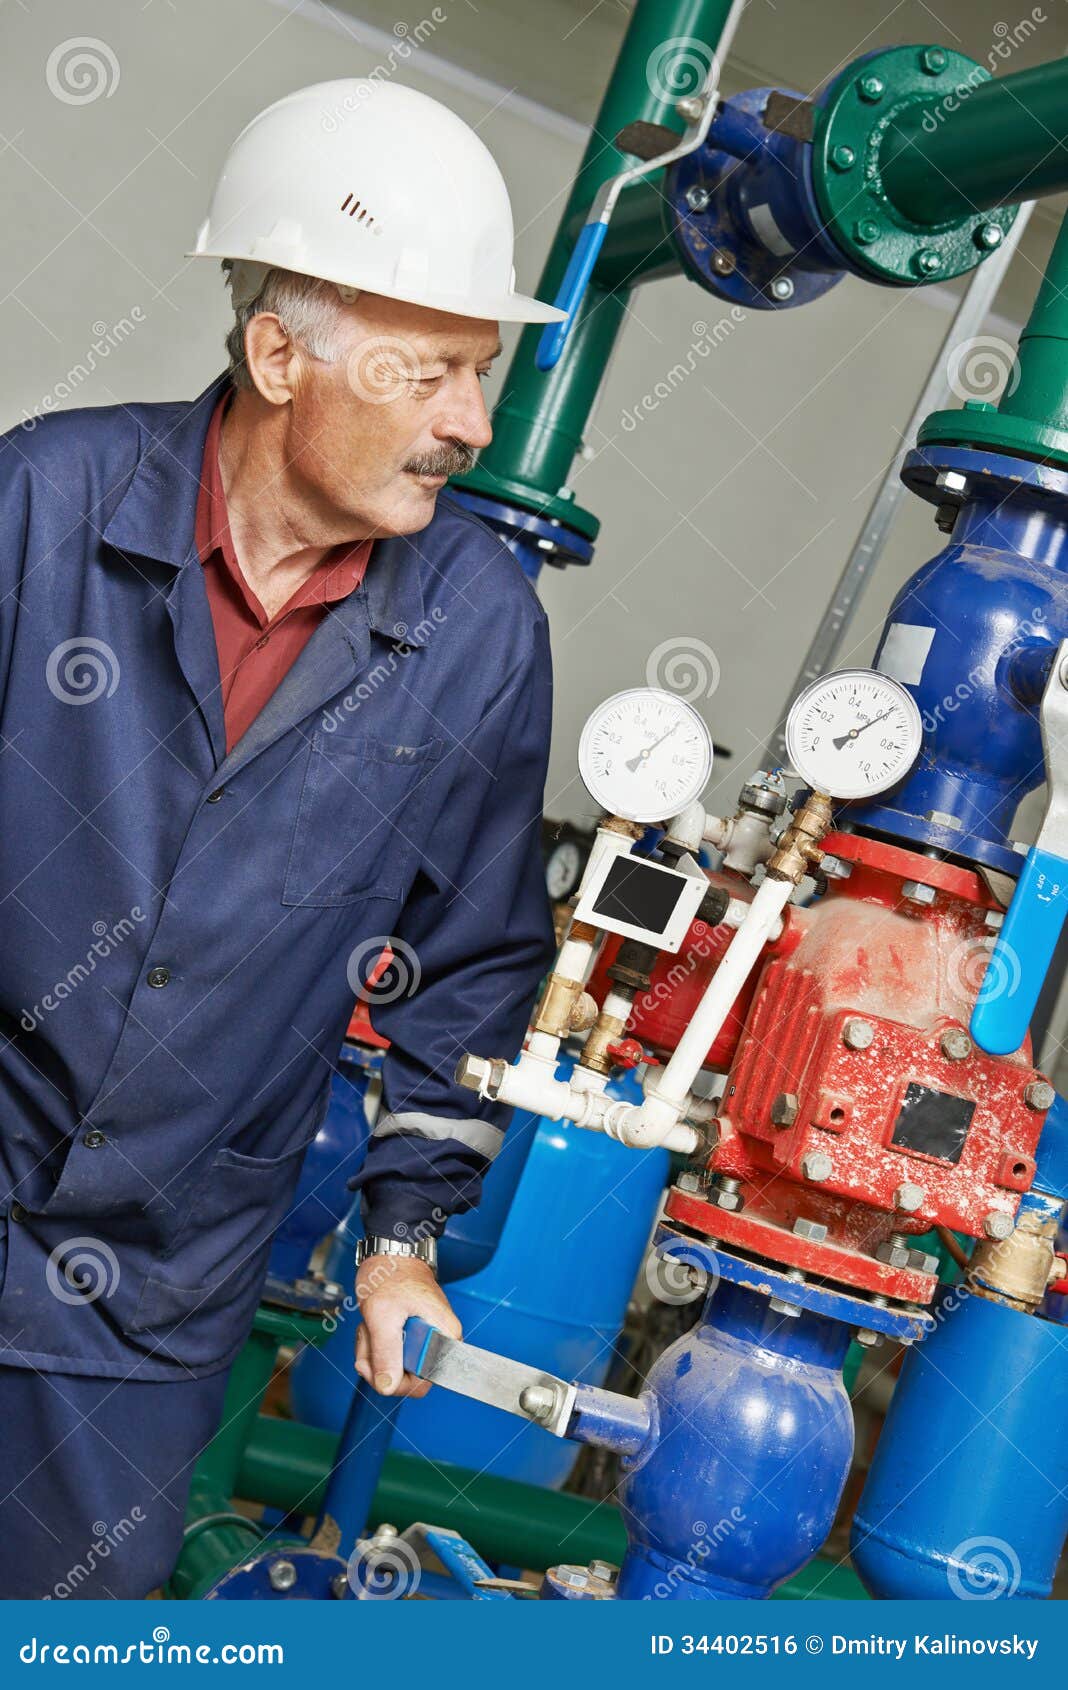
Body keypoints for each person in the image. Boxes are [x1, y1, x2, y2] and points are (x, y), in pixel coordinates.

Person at [0, 77, 563, 1598]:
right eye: (436, 368)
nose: (474, 422)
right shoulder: (43, 503)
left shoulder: (477, 628)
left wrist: (404, 1235)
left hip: (151, 1303)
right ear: (277, 355)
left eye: (483, 373)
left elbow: (475, 957)